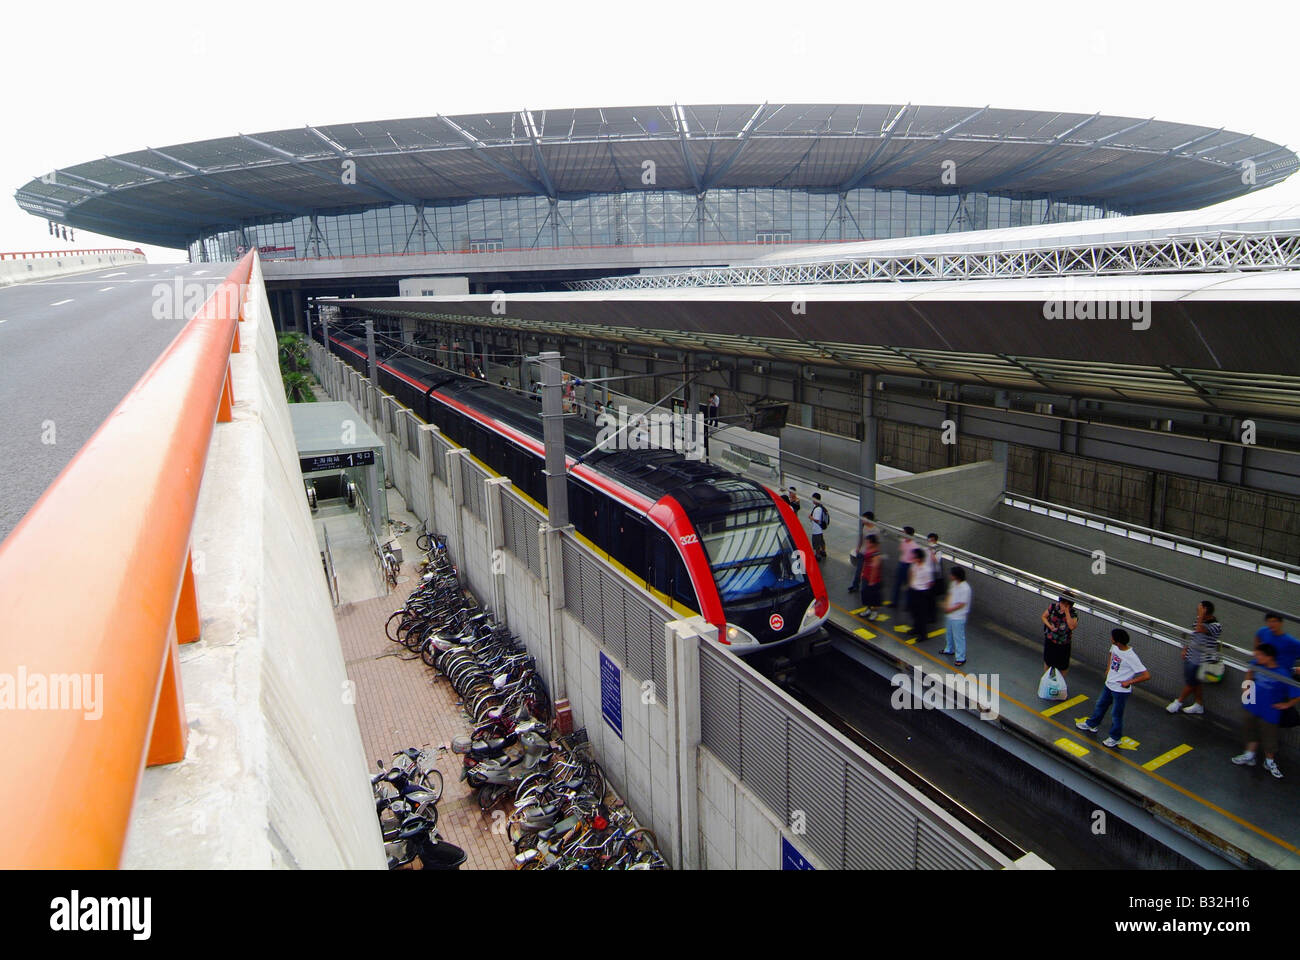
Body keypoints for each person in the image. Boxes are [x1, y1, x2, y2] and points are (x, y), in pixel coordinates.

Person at [1232, 642, 1299, 779]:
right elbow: (1249, 673)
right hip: (1252, 706)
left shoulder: (1282, 674)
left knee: (1270, 738)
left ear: (1270, 657)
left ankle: (1269, 762)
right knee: (1251, 731)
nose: (1257, 657)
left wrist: (1286, 705)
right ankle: (1249, 755)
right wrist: (1246, 691)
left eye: (1261, 655)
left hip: (1270, 713)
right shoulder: (1256, 664)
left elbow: (1296, 693)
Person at [1076, 629, 1151, 748]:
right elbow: (1111, 653)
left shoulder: (1131, 657)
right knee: (1100, 705)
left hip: (1120, 690)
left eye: (1112, 638)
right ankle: (1092, 724)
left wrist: (1129, 682)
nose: (1111, 639)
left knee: (1116, 714)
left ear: (1118, 642)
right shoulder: (1115, 647)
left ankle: (1115, 737)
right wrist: (1108, 668)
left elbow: (1146, 675)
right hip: (1109, 684)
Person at [1166, 600, 1222, 715]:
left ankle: (1178, 702)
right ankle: (1199, 704)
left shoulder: (1216, 626)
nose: (1197, 612)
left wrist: (1201, 615)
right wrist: (1186, 648)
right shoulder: (1199, 620)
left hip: (1201, 660)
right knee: (1194, 682)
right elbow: (1195, 635)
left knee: (1191, 682)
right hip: (1191, 656)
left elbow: (1199, 629)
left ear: (1206, 611)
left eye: (1200, 609)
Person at [1041, 592, 1079, 677]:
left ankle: (1060, 682)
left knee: (1063, 666)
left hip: (1063, 643)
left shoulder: (1073, 614)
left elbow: (1072, 626)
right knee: (1048, 661)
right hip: (1051, 639)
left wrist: (1067, 612)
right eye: (1062, 603)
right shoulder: (1053, 607)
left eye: (1066, 604)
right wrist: (1050, 626)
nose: (1062, 605)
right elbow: (1044, 616)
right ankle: (1047, 678)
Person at [940, 567, 971, 665]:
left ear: (956, 576)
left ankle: (961, 658)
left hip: (958, 616)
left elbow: (961, 604)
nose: (950, 576)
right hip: (950, 615)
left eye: (952, 574)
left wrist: (949, 609)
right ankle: (949, 649)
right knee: (948, 633)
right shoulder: (953, 584)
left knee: (958, 637)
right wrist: (946, 604)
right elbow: (949, 594)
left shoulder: (965, 588)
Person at [906, 547, 935, 640]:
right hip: (914, 590)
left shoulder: (926, 569)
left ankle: (923, 634)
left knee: (921, 614)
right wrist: (911, 584)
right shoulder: (914, 565)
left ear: (920, 558)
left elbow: (930, 583)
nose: (913, 559)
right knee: (914, 611)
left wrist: (924, 591)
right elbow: (911, 573)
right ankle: (916, 628)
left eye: (915, 557)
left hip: (922, 592)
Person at [848, 511, 878, 592]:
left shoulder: (876, 530)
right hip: (862, 552)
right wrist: (858, 547)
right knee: (859, 570)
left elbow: (876, 543)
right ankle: (855, 585)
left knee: (868, 571)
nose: (862, 520)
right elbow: (862, 537)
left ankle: (869, 586)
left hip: (870, 554)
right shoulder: (864, 527)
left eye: (864, 518)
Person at [856, 534, 884, 620]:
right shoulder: (868, 550)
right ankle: (868, 609)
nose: (866, 544)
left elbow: (875, 567)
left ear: (872, 543)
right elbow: (865, 561)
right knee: (865, 593)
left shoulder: (876, 554)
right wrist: (863, 572)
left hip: (873, 578)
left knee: (873, 595)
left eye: (868, 542)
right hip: (866, 575)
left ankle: (874, 612)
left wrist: (872, 580)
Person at [890, 526, 917, 610]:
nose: (902, 534)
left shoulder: (914, 546)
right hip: (902, 563)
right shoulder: (903, 542)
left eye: (904, 532)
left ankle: (909, 604)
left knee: (908, 586)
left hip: (909, 566)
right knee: (897, 583)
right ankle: (894, 602)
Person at [808, 493, 829, 562]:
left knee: (817, 543)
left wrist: (811, 517)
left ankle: (818, 555)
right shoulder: (820, 507)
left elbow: (817, 520)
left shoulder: (817, 509)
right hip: (820, 529)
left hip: (816, 529)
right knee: (821, 541)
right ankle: (823, 551)